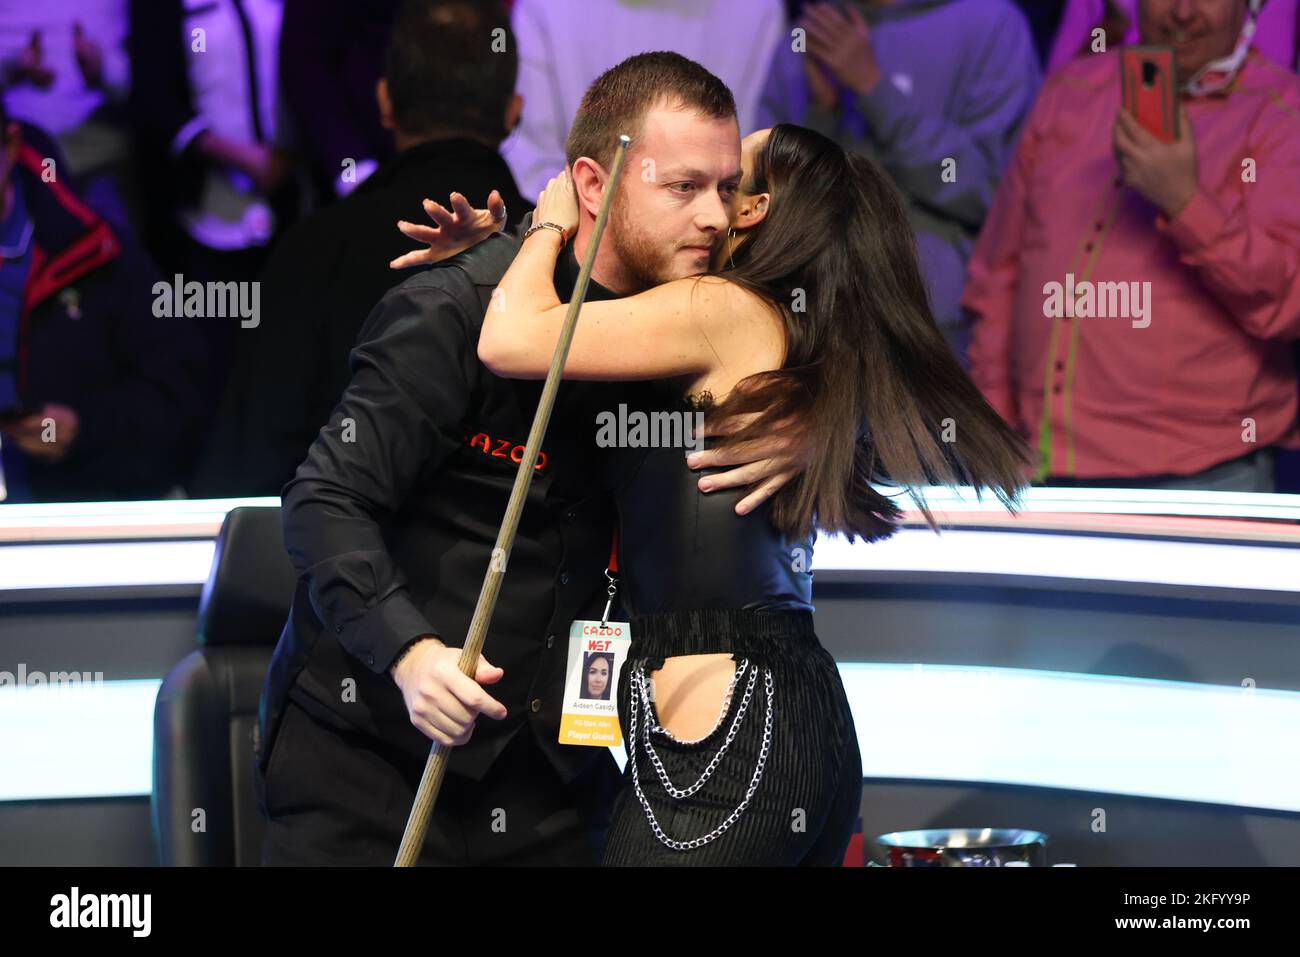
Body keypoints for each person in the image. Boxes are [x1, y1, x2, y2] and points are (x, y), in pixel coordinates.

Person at [411, 121, 1032, 863]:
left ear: (751, 208)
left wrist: (547, 223)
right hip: (791, 720)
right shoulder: (785, 332)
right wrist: (492, 259)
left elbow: (510, 339)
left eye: (723, 178)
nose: (704, 192)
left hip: (730, 734)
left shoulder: (719, 308)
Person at [256, 52, 811, 866]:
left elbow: (861, 340)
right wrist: (411, 653)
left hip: (553, 776)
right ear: (593, 184)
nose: (714, 217)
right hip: (374, 765)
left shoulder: (686, 329)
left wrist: (815, 423)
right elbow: (322, 500)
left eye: (727, 188)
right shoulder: (455, 308)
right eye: (683, 187)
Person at [189, 0, 527, 498]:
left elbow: (249, 466)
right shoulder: (555, 246)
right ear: (513, 113)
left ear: (385, 102)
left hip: (344, 564)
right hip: (526, 567)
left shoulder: (312, 250)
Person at [963, 0, 1300, 491]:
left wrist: (1185, 201)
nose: (1182, 12)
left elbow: (1287, 304)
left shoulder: (1280, 115)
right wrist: (993, 426)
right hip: (1038, 471)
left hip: (1207, 476)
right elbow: (998, 276)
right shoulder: (1071, 91)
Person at [758, 0, 1041, 364]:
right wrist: (822, 116)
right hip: (810, 329)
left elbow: (993, 192)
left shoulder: (992, 24)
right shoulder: (809, 31)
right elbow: (767, 203)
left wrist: (875, 90)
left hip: (932, 337)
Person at [0, 95, 207, 503]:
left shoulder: (96, 249)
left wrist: (85, 430)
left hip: (75, 514)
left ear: (9, 147)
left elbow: (178, 398)